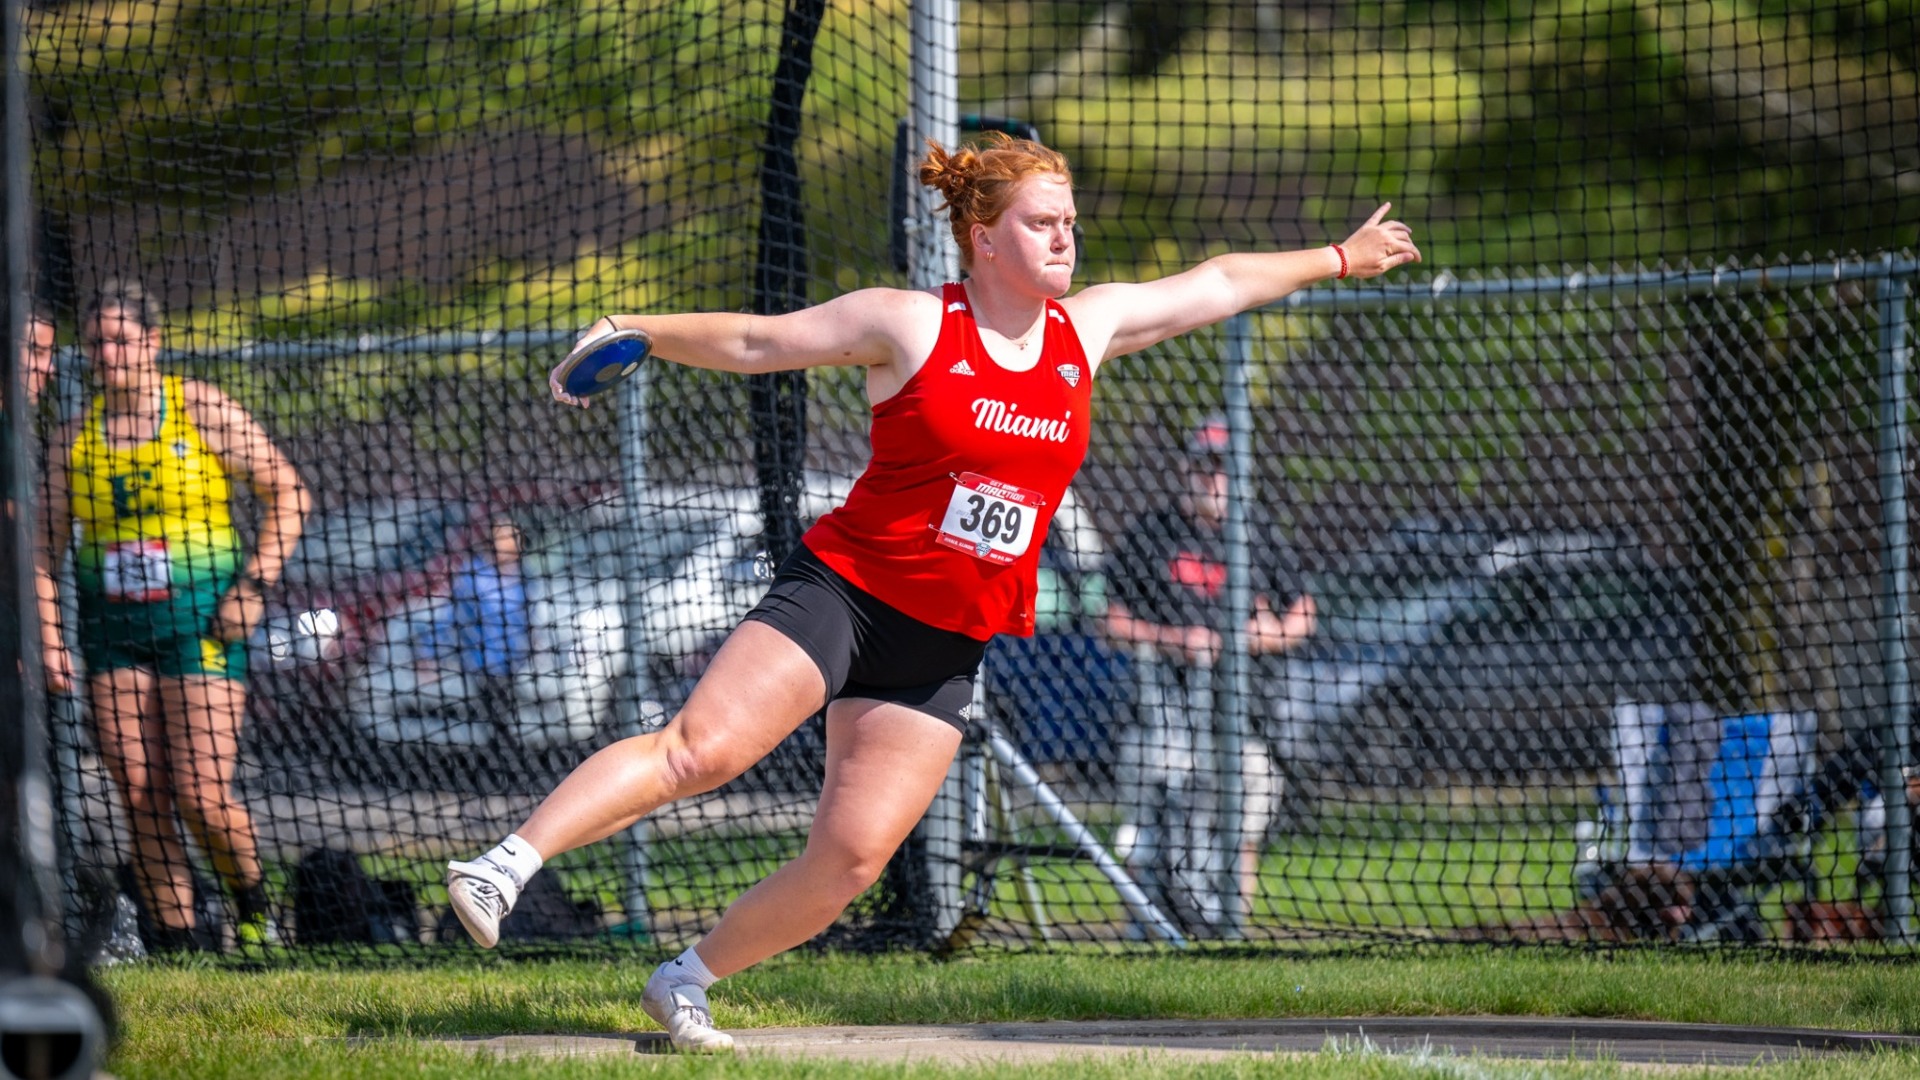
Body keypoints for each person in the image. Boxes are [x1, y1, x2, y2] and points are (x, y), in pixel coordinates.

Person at [446, 134, 1418, 1051]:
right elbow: (755, 343)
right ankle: (503, 869)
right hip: (846, 594)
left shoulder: (1087, 330)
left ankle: (684, 980)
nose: (1065, 237)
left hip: (945, 640)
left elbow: (1220, 280)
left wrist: (1339, 254)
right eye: (1044, 222)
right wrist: (638, 330)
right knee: (702, 751)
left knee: (852, 860)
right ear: (984, 238)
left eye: (1071, 221)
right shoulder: (910, 323)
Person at [37, 279, 310, 952]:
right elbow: (42, 548)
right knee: (136, 788)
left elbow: (289, 493)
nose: (108, 353)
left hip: (201, 626)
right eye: (97, 342)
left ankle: (253, 913)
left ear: (152, 343)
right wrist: (50, 640)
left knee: (199, 791)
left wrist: (254, 586)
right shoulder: (74, 439)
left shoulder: (200, 409)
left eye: (121, 339)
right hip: (113, 633)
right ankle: (177, 940)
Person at [1101, 416, 1316, 936]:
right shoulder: (1152, 535)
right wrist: (1176, 640)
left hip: (1242, 716)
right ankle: (1145, 927)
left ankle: (1228, 930)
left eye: (1222, 468)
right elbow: (1110, 619)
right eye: (1202, 466)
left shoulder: (1257, 533)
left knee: (1240, 822)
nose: (1211, 479)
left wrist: (1244, 640)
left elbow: (1304, 615)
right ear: (1185, 469)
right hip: (1161, 714)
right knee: (1149, 822)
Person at [441, 515, 532, 728]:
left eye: (513, 538)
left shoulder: (525, 577)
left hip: (517, 667)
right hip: (482, 667)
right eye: (502, 537)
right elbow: (453, 620)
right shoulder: (473, 575)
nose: (508, 543)